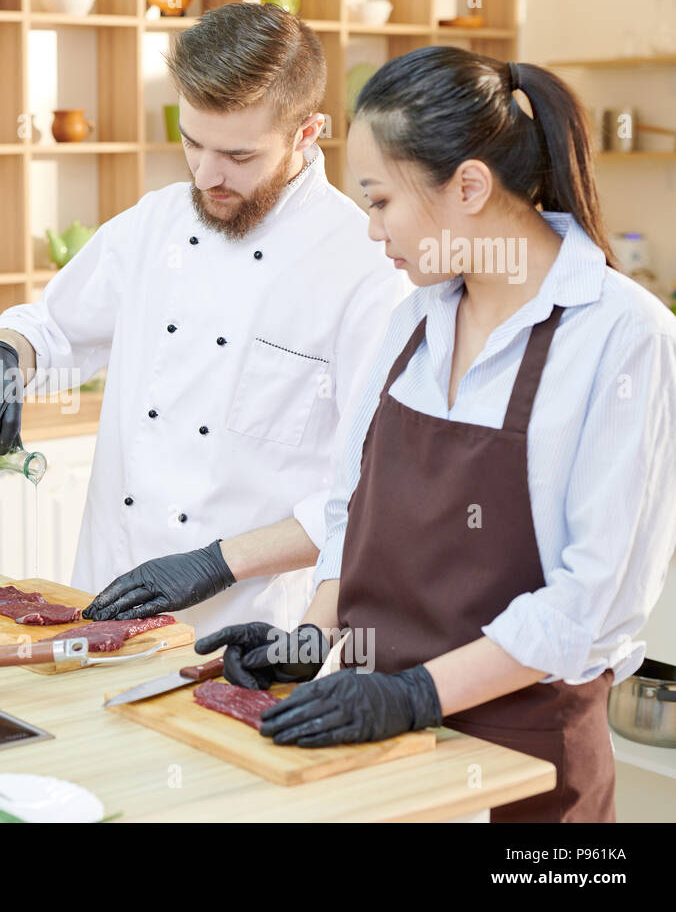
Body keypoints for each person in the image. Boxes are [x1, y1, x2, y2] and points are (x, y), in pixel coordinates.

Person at [207, 46, 676, 823]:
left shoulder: (623, 338)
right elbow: (351, 516)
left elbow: (588, 605)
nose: (369, 229)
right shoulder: (412, 322)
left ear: (468, 186)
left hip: (526, 766)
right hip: (381, 756)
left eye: (381, 200)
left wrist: (415, 694)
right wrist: (311, 639)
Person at [0, 3, 410, 634]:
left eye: (238, 156)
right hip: (102, 597)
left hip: (247, 624)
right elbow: (56, 328)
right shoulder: (157, 222)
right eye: (192, 142)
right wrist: (4, 352)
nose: (206, 175)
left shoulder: (366, 265)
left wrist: (217, 564)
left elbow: (371, 490)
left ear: (307, 133)